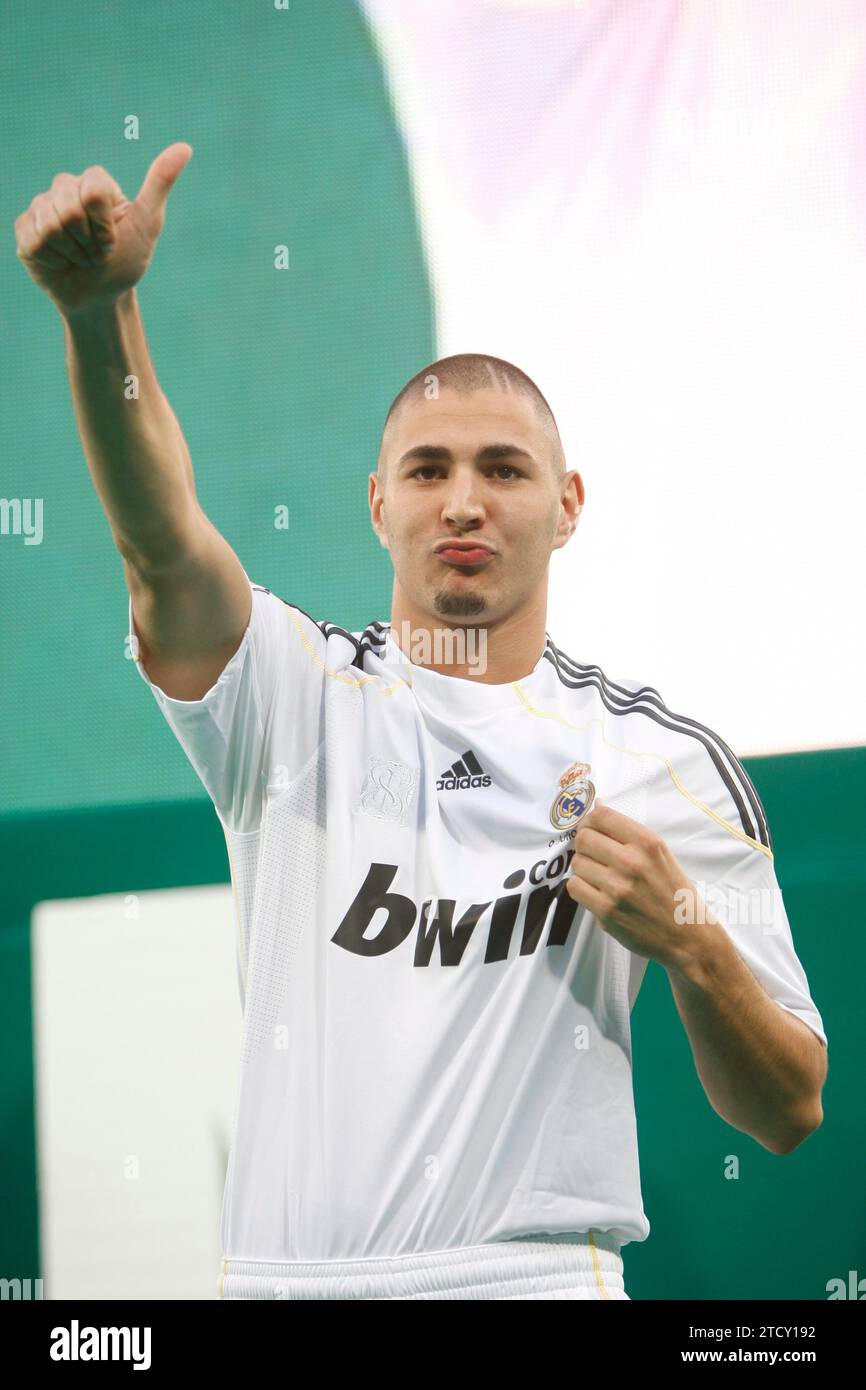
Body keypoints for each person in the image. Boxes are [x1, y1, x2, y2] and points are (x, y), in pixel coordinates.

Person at [16, 144, 828, 1302]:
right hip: (284, 1283)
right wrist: (102, 318)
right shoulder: (289, 698)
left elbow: (788, 1106)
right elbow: (161, 542)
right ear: (377, 502)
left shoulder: (661, 761)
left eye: (503, 470)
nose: (462, 501)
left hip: (527, 1282)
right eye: (427, 469)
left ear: (567, 506)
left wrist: (693, 942)